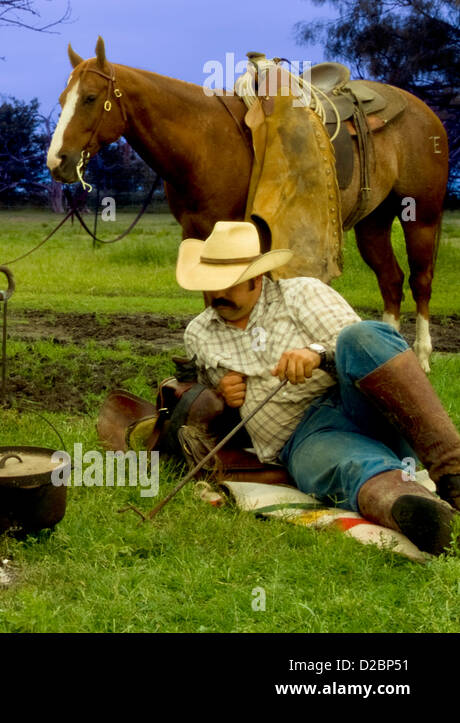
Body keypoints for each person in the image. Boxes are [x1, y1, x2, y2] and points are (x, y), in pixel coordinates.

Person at [177, 221, 460, 555]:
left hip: (362, 403)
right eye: (208, 286)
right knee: (349, 466)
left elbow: (362, 349)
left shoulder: (301, 293)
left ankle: (454, 474)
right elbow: (204, 386)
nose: (215, 295)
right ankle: (423, 515)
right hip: (305, 436)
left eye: (226, 284)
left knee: (362, 336)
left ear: (257, 277)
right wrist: (221, 391)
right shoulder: (198, 333)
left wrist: (317, 354)